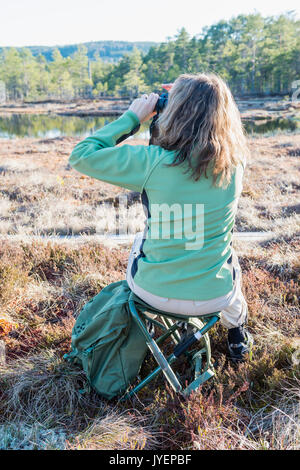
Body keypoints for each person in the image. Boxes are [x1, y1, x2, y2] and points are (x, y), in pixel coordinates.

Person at [69, 73, 253, 362]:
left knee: (143, 238)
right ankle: (236, 333)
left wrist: (133, 117)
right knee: (228, 254)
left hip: (153, 293)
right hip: (215, 296)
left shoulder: (152, 163)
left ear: (175, 111)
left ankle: (167, 324)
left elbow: (82, 155)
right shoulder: (235, 164)